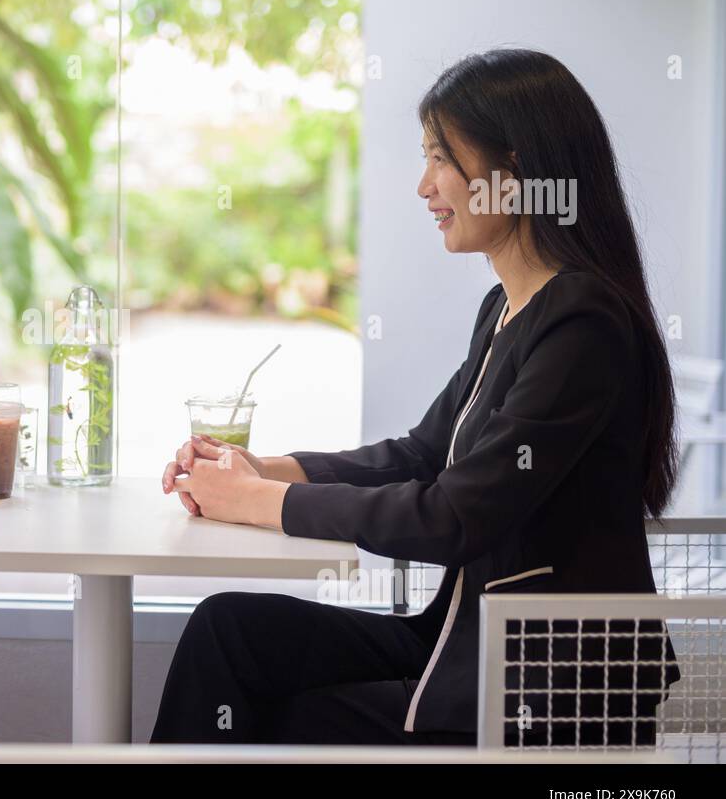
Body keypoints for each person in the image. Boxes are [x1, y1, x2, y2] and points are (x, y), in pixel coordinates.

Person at [154, 49, 681, 748]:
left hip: (542, 691)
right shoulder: (508, 307)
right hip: (465, 643)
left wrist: (259, 504)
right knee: (231, 631)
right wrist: (259, 468)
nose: (424, 184)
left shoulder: (583, 324)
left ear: (512, 175)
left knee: (279, 715)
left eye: (441, 157)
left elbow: (456, 513)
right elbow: (421, 455)